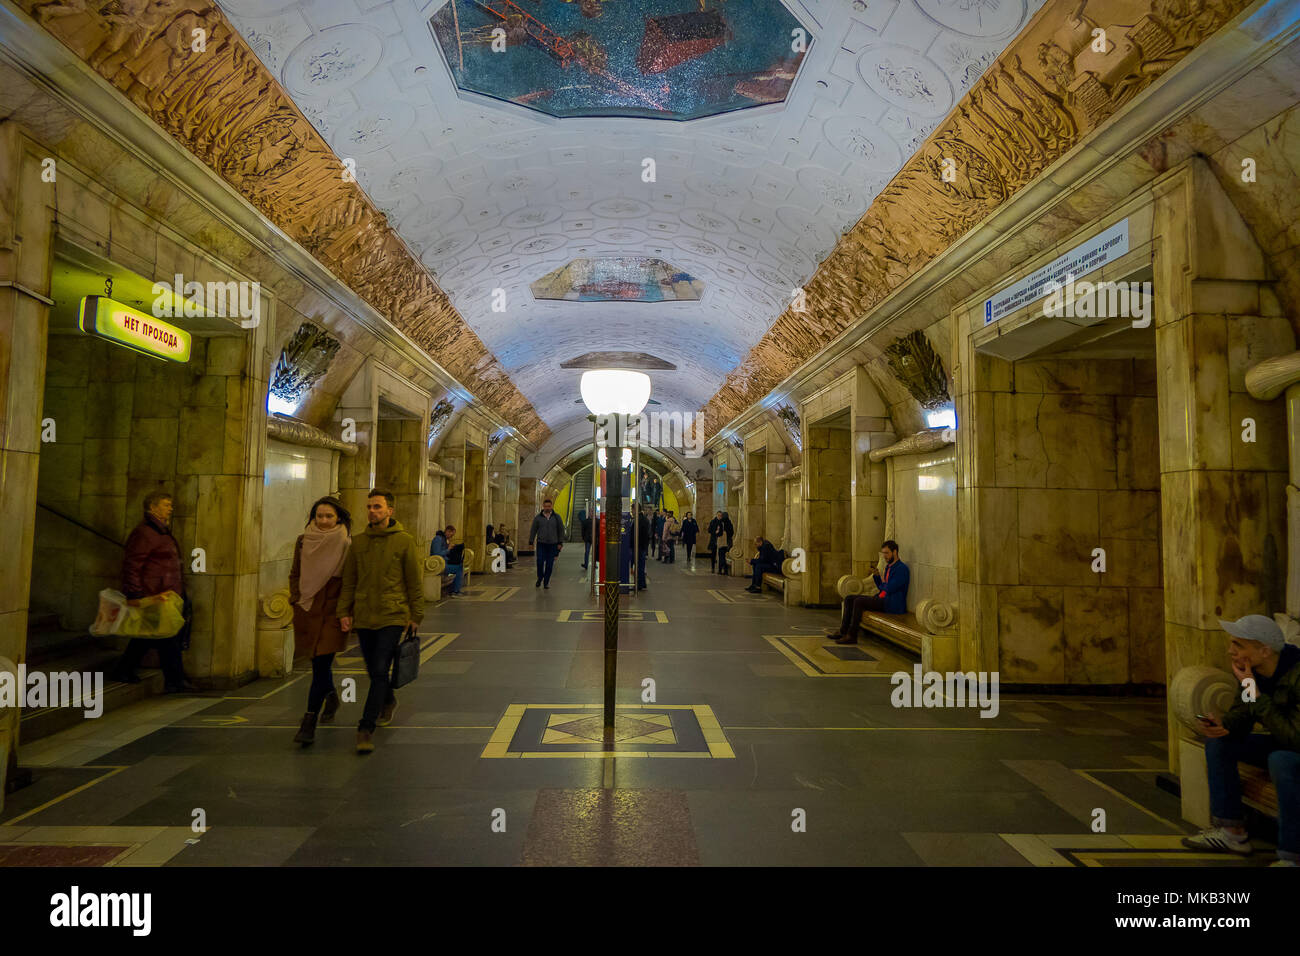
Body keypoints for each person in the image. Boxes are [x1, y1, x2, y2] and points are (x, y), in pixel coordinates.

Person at [1182, 615, 1300, 865]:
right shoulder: (1254, 671)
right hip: (1282, 739)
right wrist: (1224, 728)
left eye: (1239, 645)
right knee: (1219, 744)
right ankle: (1232, 832)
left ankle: (1292, 856)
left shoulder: (1297, 674)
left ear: (1264, 650)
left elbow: (1295, 738)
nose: (1230, 651)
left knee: (1281, 760)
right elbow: (1243, 717)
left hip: (1293, 744)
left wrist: (1255, 694)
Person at [338, 490, 425, 754]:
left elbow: (413, 581)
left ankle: (365, 728)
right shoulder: (359, 543)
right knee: (373, 670)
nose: (372, 511)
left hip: (393, 614)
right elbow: (349, 581)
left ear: (390, 511)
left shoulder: (404, 541)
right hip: (365, 615)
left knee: (378, 669)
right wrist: (345, 611)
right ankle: (388, 699)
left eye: (377, 507)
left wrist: (416, 615)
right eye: (369, 507)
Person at [109, 490, 194, 692]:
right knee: (166, 638)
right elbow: (132, 564)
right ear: (152, 507)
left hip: (167, 593)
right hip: (155, 594)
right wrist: (135, 594)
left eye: (170, 505)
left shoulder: (160, 531)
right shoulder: (145, 533)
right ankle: (175, 680)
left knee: (153, 637)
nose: (170, 508)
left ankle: (129, 670)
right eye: (166, 505)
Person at [290, 496, 351, 746]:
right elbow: (295, 572)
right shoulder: (303, 541)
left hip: (332, 610)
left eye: (329, 516)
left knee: (321, 664)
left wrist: (347, 611)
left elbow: (349, 580)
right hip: (307, 607)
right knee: (318, 664)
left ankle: (309, 721)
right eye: (319, 516)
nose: (324, 521)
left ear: (339, 519)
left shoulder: (346, 544)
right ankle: (333, 696)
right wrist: (296, 597)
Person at [825, 540, 910, 645]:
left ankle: (852, 635)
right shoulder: (889, 567)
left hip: (892, 604)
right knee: (849, 598)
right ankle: (843, 631)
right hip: (883, 599)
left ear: (895, 552)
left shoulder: (902, 569)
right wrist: (877, 576)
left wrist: (882, 584)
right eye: (883, 553)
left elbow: (889, 588)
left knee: (859, 601)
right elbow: (883, 587)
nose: (885, 556)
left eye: (887, 553)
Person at [528, 497, 565, 589]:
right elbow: (533, 530)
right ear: (543, 507)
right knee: (540, 561)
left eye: (549, 506)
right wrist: (531, 541)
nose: (547, 508)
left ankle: (546, 581)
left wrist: (560, 542)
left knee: (549, 564)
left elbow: (561, 530)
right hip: (541, 543)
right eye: (545, 506)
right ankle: (540, 577)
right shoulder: (538, 518)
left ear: (551, 506)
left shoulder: (557, 517)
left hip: (553, 544)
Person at [429, 525, 464, 596]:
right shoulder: (438, 539)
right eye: (451, 535)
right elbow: (436, 554)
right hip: (438, 565)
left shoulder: (443, 539)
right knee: (458, 569)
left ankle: (455, 589)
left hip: (443, 563)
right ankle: (455, 590)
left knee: (459, 566)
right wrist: (448, 549)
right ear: (448, 531)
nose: (451, 537)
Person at [636, 505, 651, 590]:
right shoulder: (645, 520)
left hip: (640, 545)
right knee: (641, 565)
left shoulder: (640, 520)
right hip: (643, 545)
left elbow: (640, 534)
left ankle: (640, 584)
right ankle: (643, 583)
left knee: (640, 566)